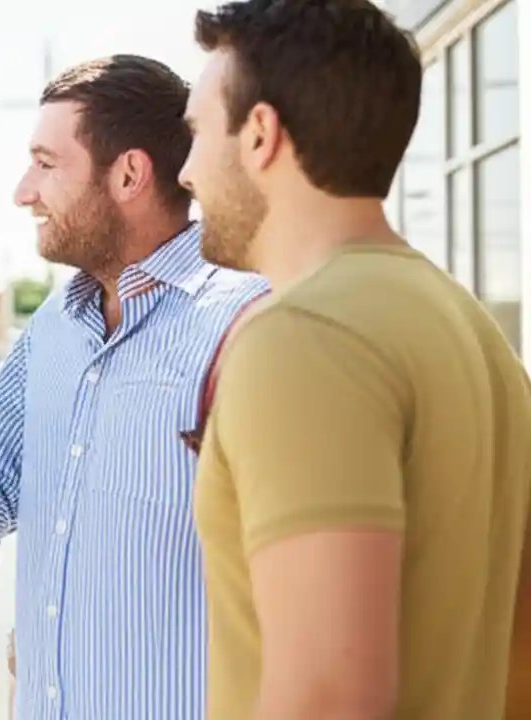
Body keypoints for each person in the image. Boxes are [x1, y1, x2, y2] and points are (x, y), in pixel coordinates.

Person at [0, 56, 268, 718]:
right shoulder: (55, 326)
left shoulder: (250, 322)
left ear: (128, 174)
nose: (23, 191)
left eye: (46, 163)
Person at [178, 1, 531, 717]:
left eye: (196, 134)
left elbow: (331, 699)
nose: (185, 172)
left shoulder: (302, 340)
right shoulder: (476, 334)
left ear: (260, 136)